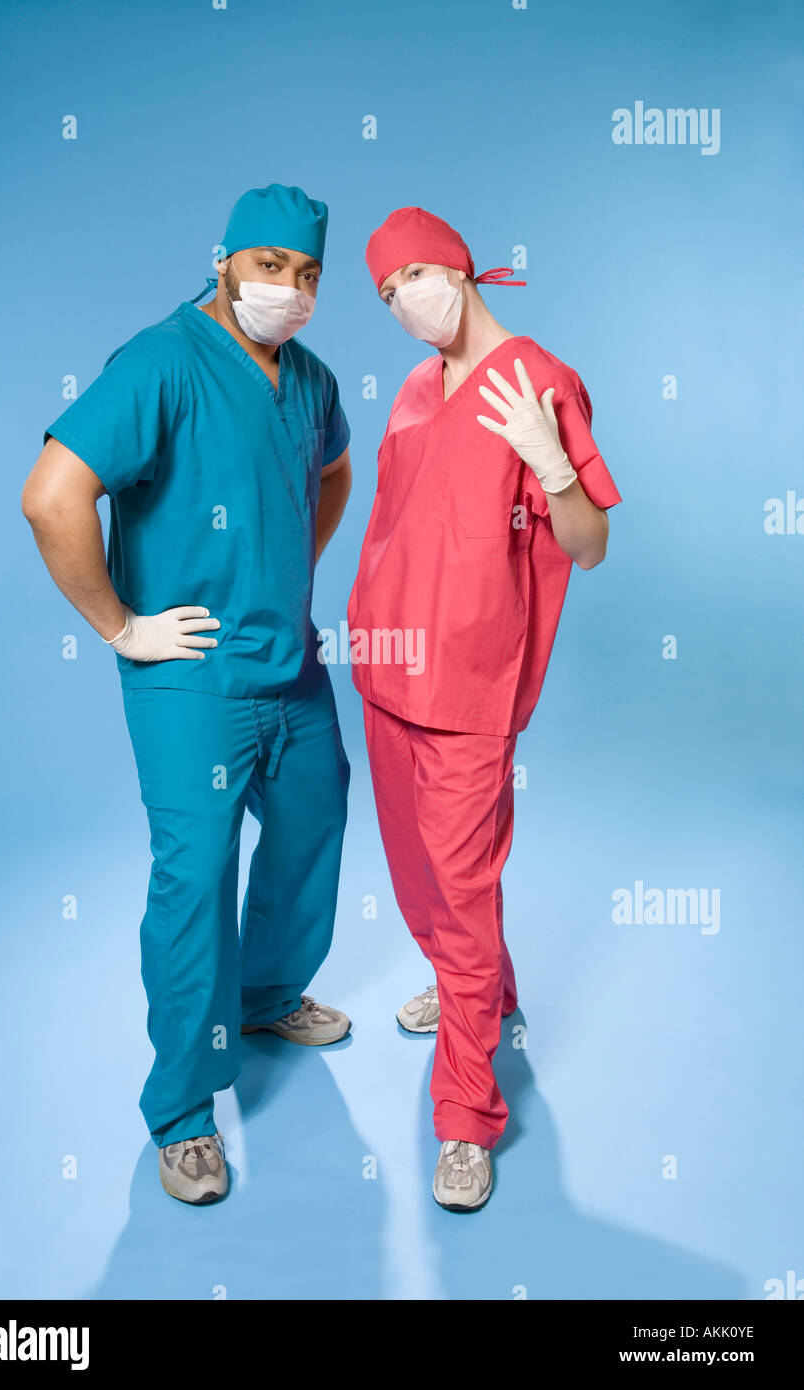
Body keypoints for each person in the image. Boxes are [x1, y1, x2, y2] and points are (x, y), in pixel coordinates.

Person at [22, 183, 353, 1207]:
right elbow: (51, 494)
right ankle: (179, 1111)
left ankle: (262, 996)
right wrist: (123, 626)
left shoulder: (309, 377)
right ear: (223, 262)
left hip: (289, 665)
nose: (287, 291)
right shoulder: (161, 361)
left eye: (305, 275)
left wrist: (286, 571)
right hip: (191, 678)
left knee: (313, 825)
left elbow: (333, 471)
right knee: (195, 876)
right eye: (268, 267)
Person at [347, 205, 622, 1212]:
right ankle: (482, 995)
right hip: (384, 669)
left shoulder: (542, 381)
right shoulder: (415, 391)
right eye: (384, 293)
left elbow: (586, 545)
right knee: (418, 878)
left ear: (457, 268)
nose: (402, 301)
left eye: (411, 275)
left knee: (462, 894)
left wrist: (552, 469)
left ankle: (465, 1119)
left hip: (468, 684)